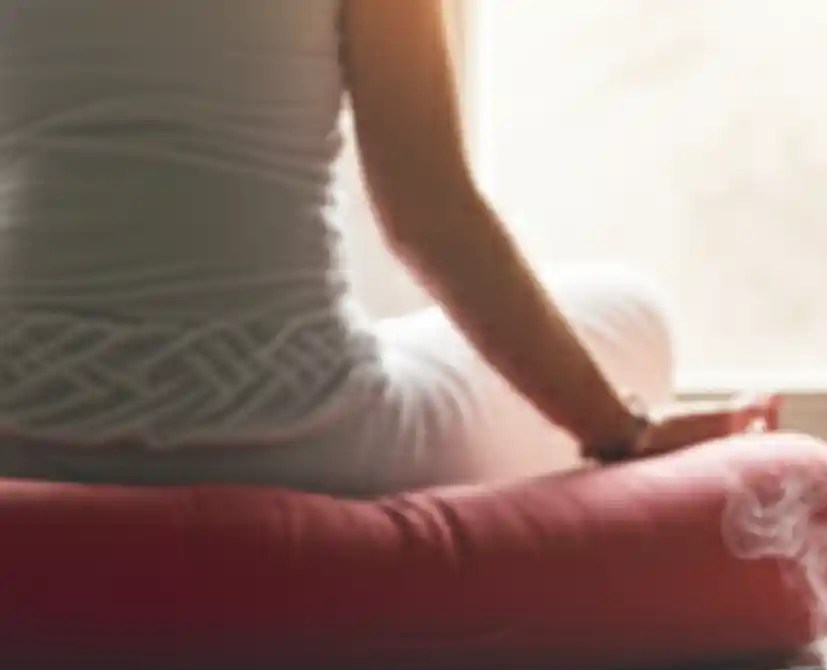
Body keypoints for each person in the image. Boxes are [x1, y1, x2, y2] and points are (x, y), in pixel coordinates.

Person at [0, 0, 777, 496]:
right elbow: (429, 217)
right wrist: (620, 434)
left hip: (21, 436)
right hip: (304, 439)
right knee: (634, 315)